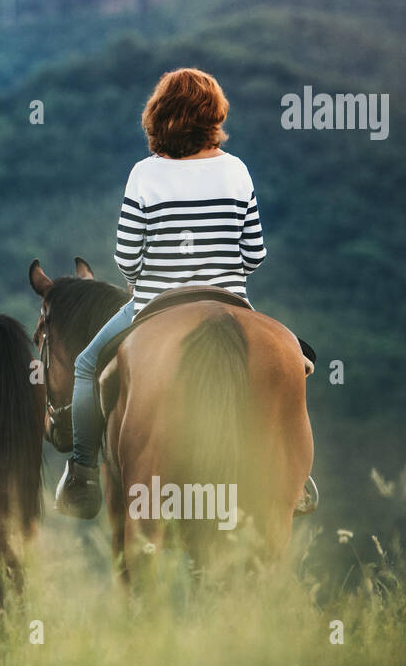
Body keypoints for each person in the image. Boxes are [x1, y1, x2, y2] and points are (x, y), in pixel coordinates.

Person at [56, 68, 267, 518]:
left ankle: (82, 476)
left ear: (159, 116)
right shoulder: (237, 171)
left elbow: (127, 258)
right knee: (289, 363)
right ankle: (298, 478)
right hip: (231, 299)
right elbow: (255, 254)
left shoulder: (145, 174)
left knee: (86, 364)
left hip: (155, 302)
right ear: (214, 116)